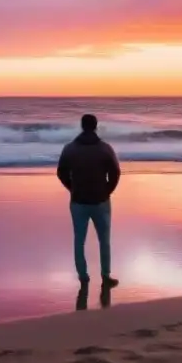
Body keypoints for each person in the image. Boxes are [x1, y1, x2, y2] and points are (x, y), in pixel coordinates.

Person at [56, 114, 121, 288]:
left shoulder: (70, 148)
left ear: (82, 126)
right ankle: (106, 276)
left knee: (79, 240)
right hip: (100, 200)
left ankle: (83, 276)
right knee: (104, 240)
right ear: (96, 126)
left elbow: (61, 172)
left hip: (78, 200)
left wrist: (71, 187)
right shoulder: (105, 148)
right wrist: (107, 190)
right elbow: (115, 172)